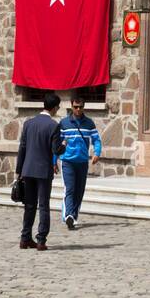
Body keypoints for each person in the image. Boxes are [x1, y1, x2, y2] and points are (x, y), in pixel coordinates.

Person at [15, 91, 65, 250]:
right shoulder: (54, 126)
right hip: (43, 172)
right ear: (55, 108)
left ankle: (25, 238)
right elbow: (56, 149)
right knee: (43, 205)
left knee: (29, 205)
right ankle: (41, 239)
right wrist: (64, 144)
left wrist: (19, 170)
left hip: (27, 170)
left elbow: (22, 148)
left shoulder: (28, 123)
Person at [58, 93, 102, 229]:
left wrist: (97, 153)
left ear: (84, 107)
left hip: (82, 162)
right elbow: (57, 144)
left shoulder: (89, 123)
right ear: (71, 106)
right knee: (70, 189)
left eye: (81, 107)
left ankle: (73, 216)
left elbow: (96, 140)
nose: (78, 109)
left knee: (79, 191)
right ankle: (68, 215)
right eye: (76, 107)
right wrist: (54, 161)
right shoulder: (64, 123)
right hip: (67, 162)